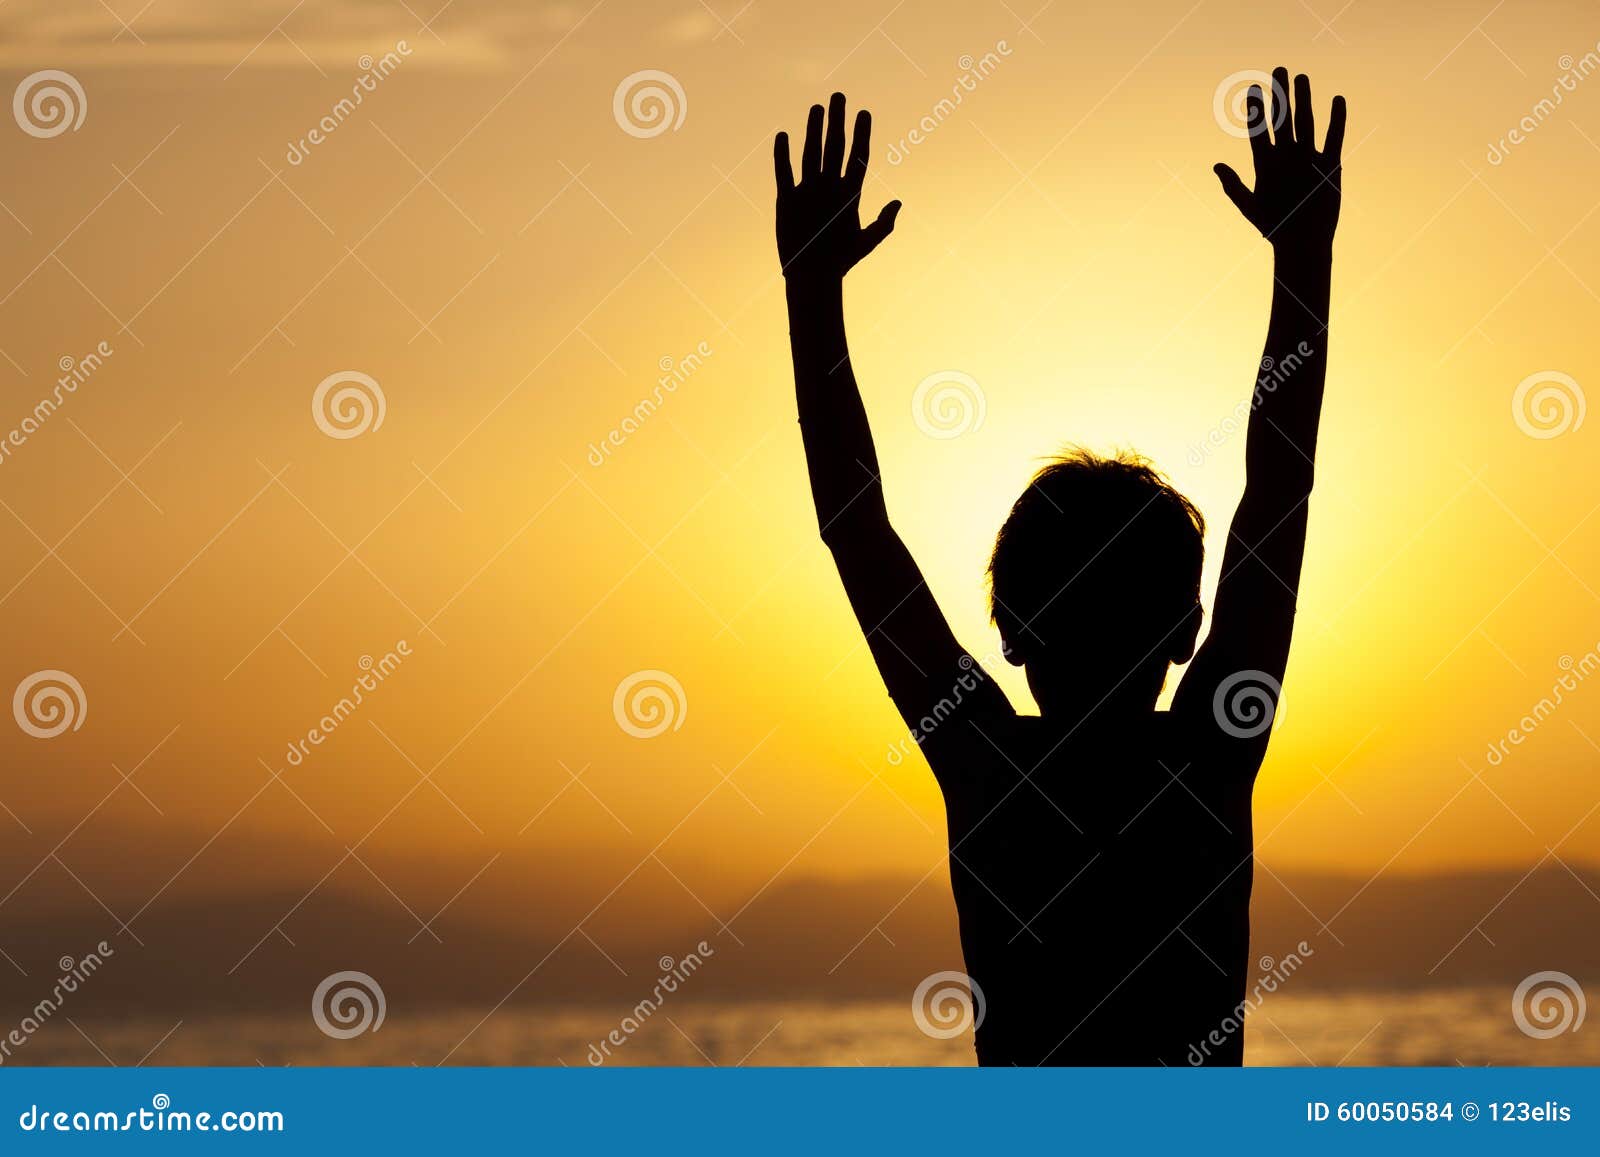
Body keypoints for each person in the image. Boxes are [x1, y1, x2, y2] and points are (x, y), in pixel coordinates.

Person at [774, 71, 1344, 1064]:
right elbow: (1278, 495)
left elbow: (854, 528)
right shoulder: (1208, 753)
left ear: (1008, 626)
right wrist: (1301, 256)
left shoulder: (987, 764)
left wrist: (812, 291)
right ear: (1180, 627)